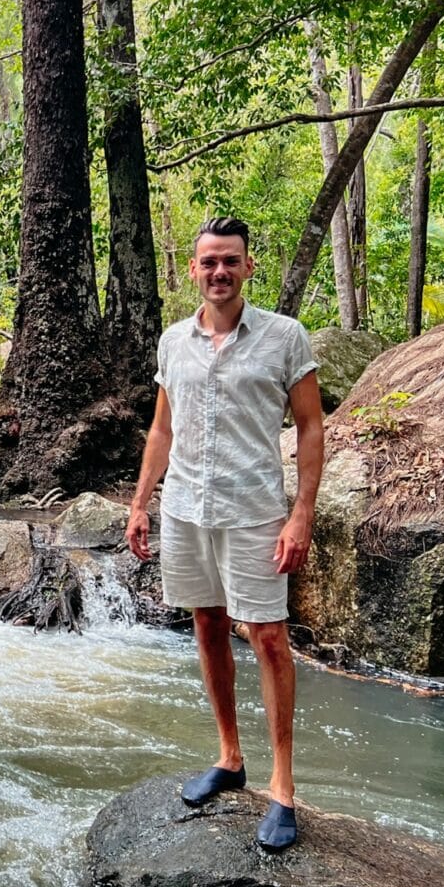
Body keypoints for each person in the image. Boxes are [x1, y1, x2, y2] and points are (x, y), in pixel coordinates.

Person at [126, 217, 324, 851]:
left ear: (248, 266)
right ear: (193, 269)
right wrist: (140, 503)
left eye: (230, 261)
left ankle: (283, 788)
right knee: (206, 624)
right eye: (209, 261)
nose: (219, 272)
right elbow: (162, 430)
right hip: (185, 508)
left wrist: (302, 515)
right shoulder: (173, 342)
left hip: (254, 510)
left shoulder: (284, 338)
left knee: (267, 637)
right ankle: (230, 757)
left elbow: (311, 428)